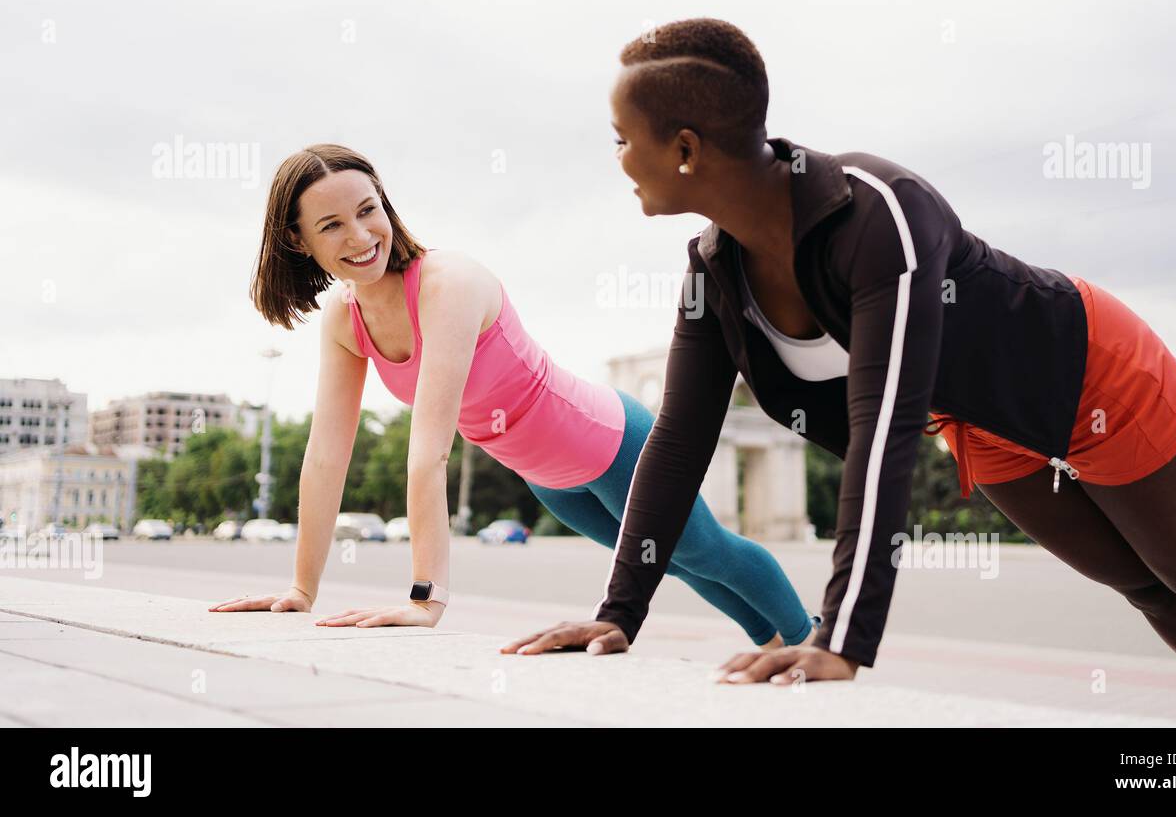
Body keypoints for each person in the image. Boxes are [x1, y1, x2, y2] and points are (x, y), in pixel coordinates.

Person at [502, 19, 1176, 728]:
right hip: (986, 428)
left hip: (1096, 375)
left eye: (620, 138)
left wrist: (842, 639)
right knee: (1151, 590)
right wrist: (618, 614)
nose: (617, 159)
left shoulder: (879, 210)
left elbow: (881, 427)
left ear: (683, 148)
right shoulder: (712, 270)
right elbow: (678, 441)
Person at [210, 143, 816, 651]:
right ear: (296, 240)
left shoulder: (447, 284)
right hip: (547, 477)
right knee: (681, 561)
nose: (361, 235)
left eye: (369, 210)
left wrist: (427, 599)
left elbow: (429, 454)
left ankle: (811, 645)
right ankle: (774, 651)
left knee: (702, 549)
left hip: (609, 438)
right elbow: (325, 457)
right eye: (331, 225)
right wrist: (301, 591)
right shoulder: (345, 320)